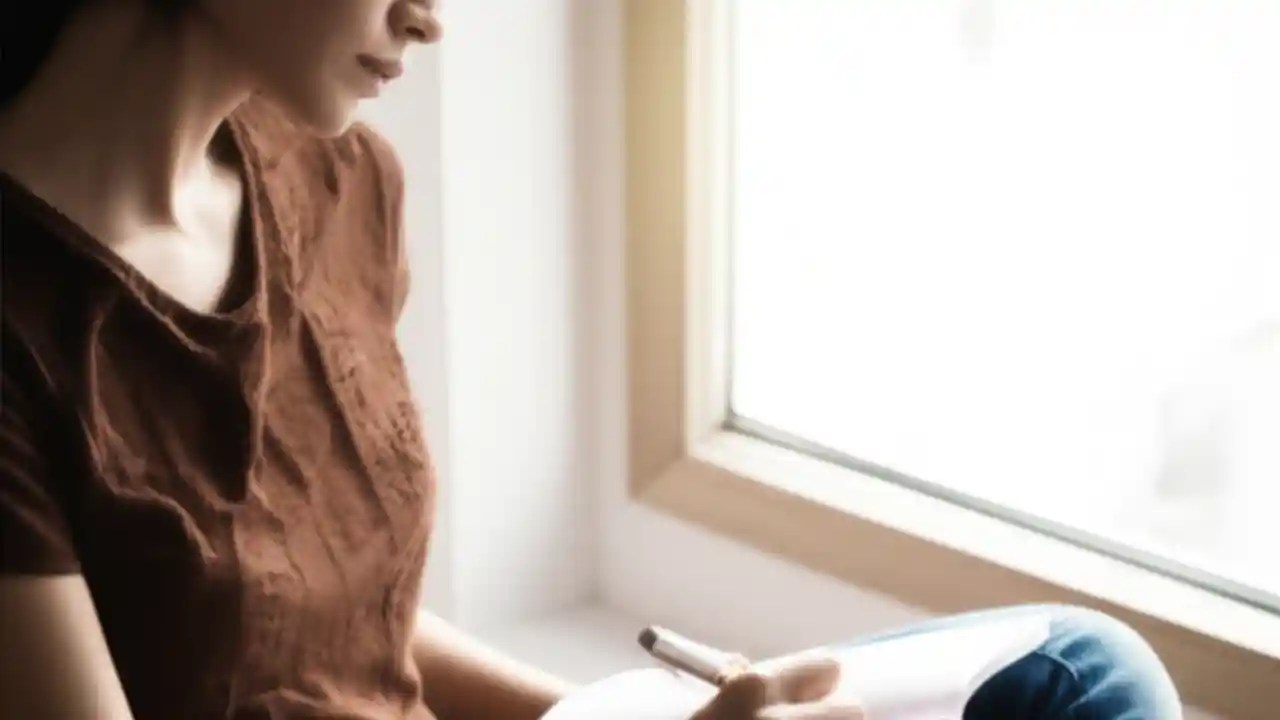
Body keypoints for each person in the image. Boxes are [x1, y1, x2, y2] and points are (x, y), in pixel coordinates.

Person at [0, 1, 1184, 718]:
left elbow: (327, 629)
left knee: (1077, 674)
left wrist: (610, 718)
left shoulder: (339, 180)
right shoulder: (21, 335)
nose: (432, 16)